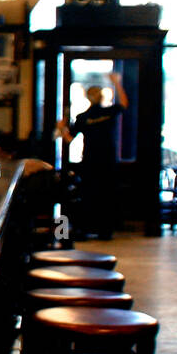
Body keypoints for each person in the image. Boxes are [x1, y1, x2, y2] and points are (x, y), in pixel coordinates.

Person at [56, 72, 128, 240]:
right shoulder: (109, 112)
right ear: (102, 96)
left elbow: (68, 139)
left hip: (90, 160)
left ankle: (86, 229)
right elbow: (124, 104)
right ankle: (105, 230)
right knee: (107, 195)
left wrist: (61, 127)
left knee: (89, 194)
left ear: (88, 98)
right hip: (108, 160)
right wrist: (116, 83)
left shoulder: (83, 117)